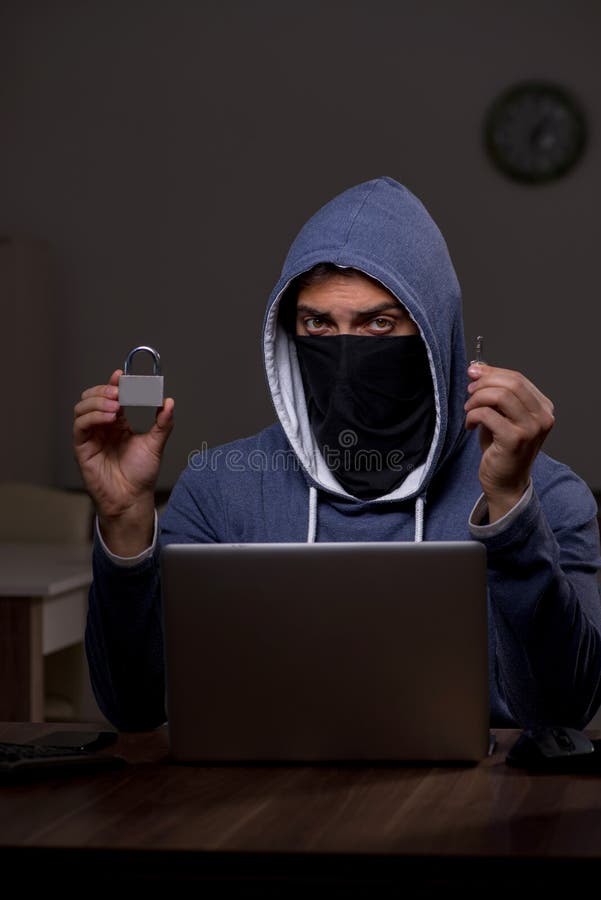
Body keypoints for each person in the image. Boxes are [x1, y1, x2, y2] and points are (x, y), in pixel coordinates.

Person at [74, 175, 601, 733]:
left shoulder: (544, 493)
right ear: (289, 334)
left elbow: (565, 710)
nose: (347, 354)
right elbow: (134, 706)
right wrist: (127, 520)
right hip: (259, 802)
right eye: (318, 324)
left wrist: (511, 509)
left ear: (433, 337)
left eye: (379, 324)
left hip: (468, 803)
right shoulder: (219, 490)